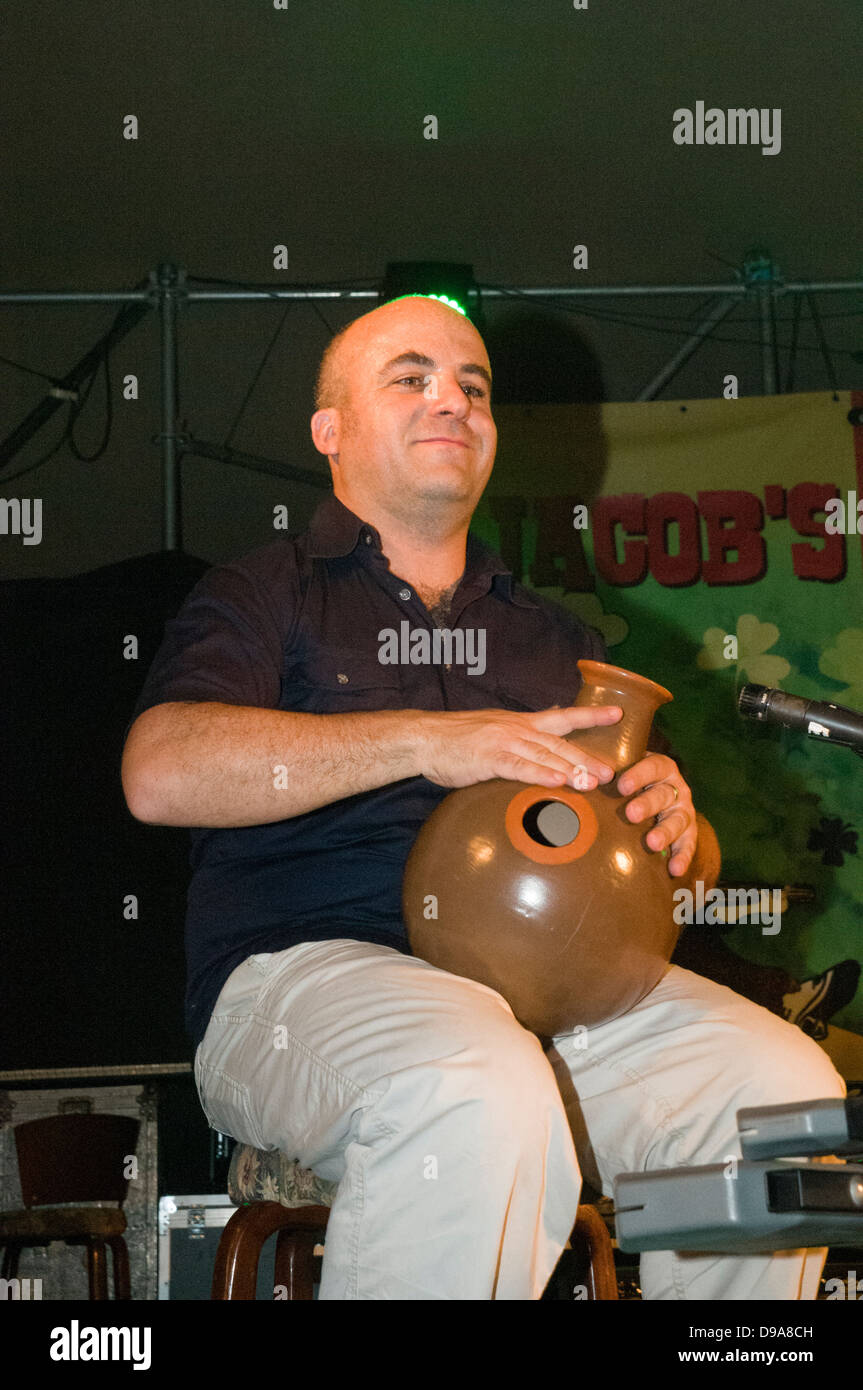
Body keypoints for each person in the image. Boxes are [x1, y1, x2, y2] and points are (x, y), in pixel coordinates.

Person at [121, 295, 845, 1300]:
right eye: (410, 377)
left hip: (550, 1000)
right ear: (330, 430)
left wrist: (680, 832)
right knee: (475, 1077)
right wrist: (426, 740)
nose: (452, 400)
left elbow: (682, 877)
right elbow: (159, 774)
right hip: (305, 981)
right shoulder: (262, 592)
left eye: (473, 386)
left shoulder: (554, 641)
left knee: (781, 1101)